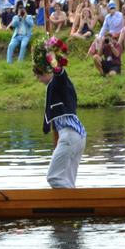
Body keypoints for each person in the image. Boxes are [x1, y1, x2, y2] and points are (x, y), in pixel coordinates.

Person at [33, 59, 86, 189]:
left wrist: (52, 62)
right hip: (76, 136)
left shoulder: (58, 82)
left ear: (46, 72)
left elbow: (61, 73)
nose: (39, 80)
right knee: (67, 178)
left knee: (53, 177)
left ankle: (75, 204)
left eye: (39, 77)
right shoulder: (54, 87)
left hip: (70, 135)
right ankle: (72, 205)